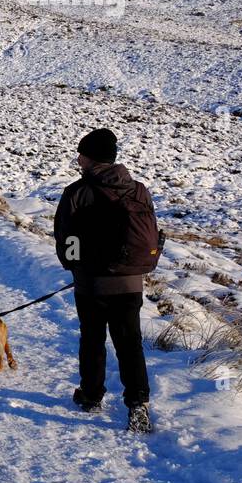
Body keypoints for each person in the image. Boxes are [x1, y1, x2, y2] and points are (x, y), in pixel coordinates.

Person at [53, 128, 162, 433]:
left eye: (81, 154)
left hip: (92, 284)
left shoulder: (77, 192)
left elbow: (67, 239)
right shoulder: (138, 189)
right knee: (130, 344)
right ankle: (138, 403)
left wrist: (73, 266)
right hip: (130, 282)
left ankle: (91, 396)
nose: (78, 158)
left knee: (92, 339)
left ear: (91, 158)